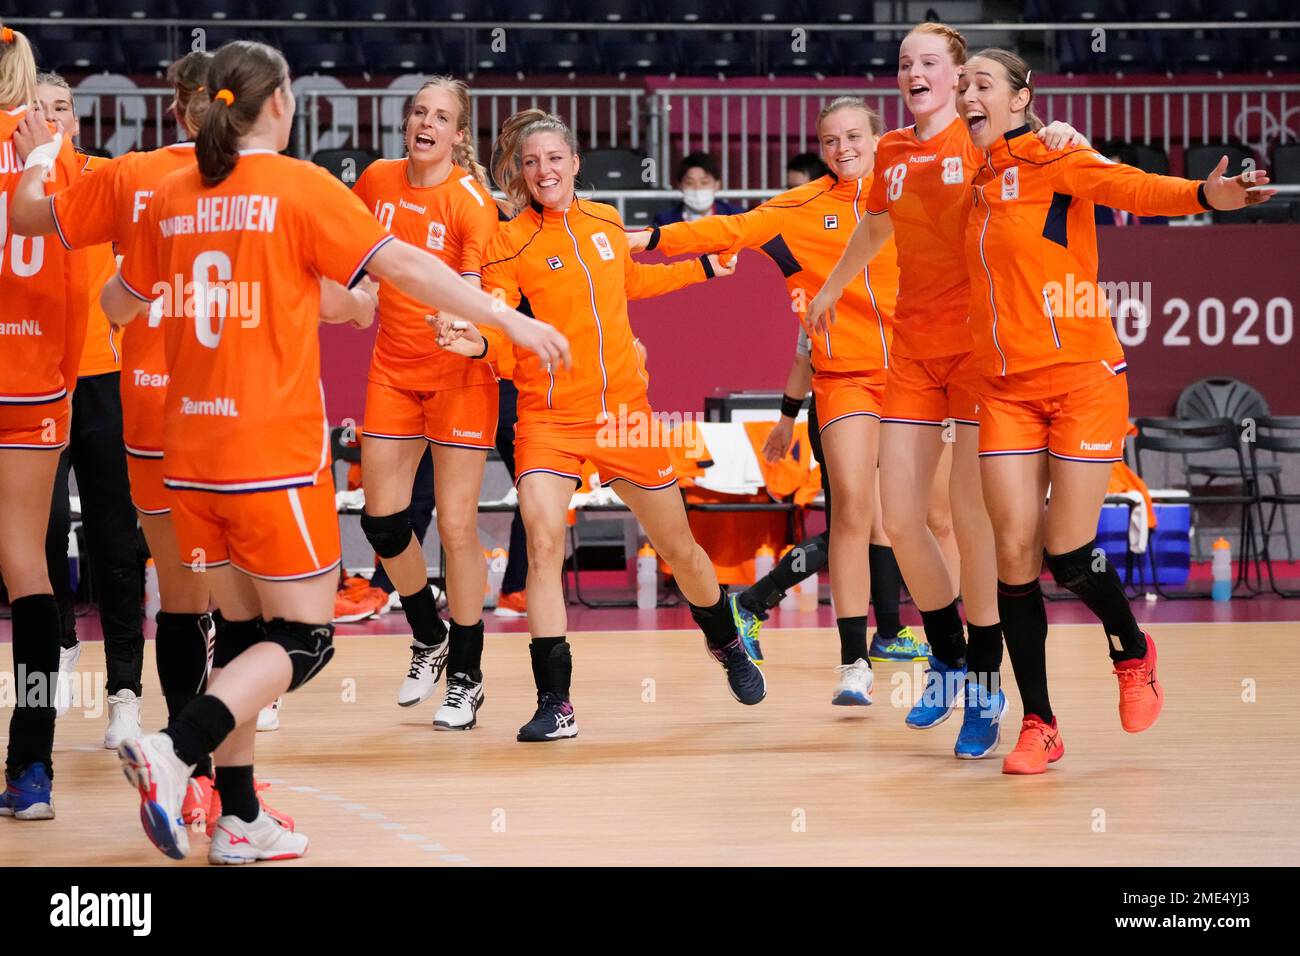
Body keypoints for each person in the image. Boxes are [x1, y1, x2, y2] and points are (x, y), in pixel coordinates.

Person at [94, 40, 566, 863]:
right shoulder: (299, 185)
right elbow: (408, 267)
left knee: (238, 637)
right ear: (277, 103)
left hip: (186, 451)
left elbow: (118, 301)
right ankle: (178, 747)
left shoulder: (168, 194)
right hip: (267, 451)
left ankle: (239, 820)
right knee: (305, 640)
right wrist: (511, 321)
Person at [956, 47, 1270, 773]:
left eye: (982, 84)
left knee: (1066, 555)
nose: (967, 94)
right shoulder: (968, 173)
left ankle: (1132, 648)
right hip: (1002, 389)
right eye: (962, 84)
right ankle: (1039, 722)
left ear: (1023, 96)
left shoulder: (1062, 159)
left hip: (1082, 381)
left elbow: (1137, 190)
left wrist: (1206, 196)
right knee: (1012, 556)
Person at [437, 109, 764, 742]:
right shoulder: (510, 242)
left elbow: (626, 280)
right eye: (532, 163)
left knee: (681, 550)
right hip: (549, 418)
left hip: (624, 420)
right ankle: (554, 703)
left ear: (575, 163)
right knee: (543, 540)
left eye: (554, 159)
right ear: (522, 173)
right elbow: (502, 327)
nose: (544, 171)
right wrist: (477, 345)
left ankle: (724, 637)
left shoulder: (606, 222)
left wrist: (701, 268)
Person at [808, 22, 1087, 758]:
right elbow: (873, 227)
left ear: (961, 76)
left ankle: (988, 687)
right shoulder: (893, 149)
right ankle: (949, 656)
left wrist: (1058, 130)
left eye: (930, 61)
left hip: (979, 356)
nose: (915, 72)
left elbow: (1046, 152)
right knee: (899, 519)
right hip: (912, 355)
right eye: (905, 63)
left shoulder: (985, 143)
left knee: (974, 528)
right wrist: (832, 290)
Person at [631, 97, 900, 707]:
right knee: (855, 512)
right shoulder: (798, 209)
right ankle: (854, 661)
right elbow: (725, 230)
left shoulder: (912, 190)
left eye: (854, 136)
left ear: (878, 137)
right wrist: (646, 236)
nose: (842, 149)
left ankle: (939, 650)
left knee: (918, 521)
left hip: (921, 379)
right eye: (830, 141)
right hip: (847, 380)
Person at [350, 76, 502, 730]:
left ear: (459, 136)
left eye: (441, 117)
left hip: (459, 379)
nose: (427, 123)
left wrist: (462, 324)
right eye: (419, 112)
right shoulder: (377, 182)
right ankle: (428, 633)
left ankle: (466, 676)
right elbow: (347, 260)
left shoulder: (472, 202)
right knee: (381, 522)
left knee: (457, 527)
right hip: (392, 369)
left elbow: (475, 292)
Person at [34, 71, 146, 750]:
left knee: (116, 537)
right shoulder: (15, 184)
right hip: (36, 381)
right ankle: (59, 650)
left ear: (75, 118)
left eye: (62, 107)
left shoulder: (105, 176)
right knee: (39, 538)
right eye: (39, 107)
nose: (52, 117)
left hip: (105, 377)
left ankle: (126, 694)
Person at [0, 21, 88, 821]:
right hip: (31, 386)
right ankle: (31, 770)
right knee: (29, 571)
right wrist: (61, 385)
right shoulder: (53, 153)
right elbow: (76, 279)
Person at [735, 325, 931, 667]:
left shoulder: (889, 289)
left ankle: (889, 632)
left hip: (883, 409)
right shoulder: (820, 294)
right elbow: (802, 362)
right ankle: (751, 603)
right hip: (838, 412)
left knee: (880, 524)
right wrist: (785, 422)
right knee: (848, 529)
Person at [652, 151, 743, 225]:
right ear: (679, 185)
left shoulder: (736, 218)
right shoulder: (664, 222)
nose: (697, 189)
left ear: (717, 185)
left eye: (704, 182)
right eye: (689, 183)